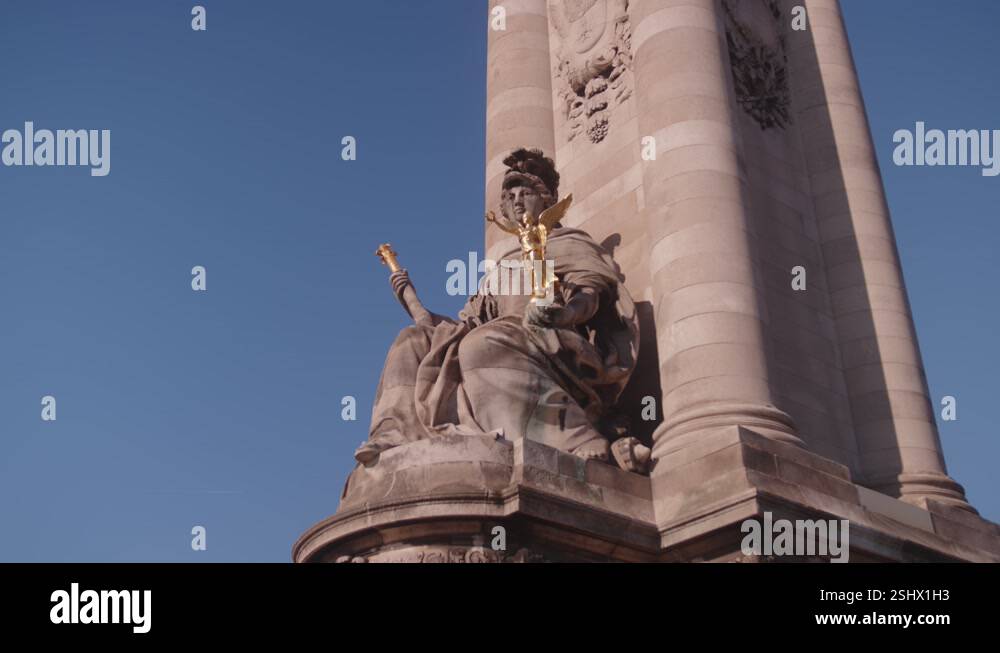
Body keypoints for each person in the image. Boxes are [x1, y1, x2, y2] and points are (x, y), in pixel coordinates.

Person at [354, 148, 639, 468]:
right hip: (505, 334)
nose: (517, 201)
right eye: (510, 195)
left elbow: (591, 292)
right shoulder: (503, 265)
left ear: (546, 201)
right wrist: (418, 309)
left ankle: (576, 436)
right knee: (412, 340)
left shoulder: (569, 242)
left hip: (556, 337)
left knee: (484, 343)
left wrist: (566, 312)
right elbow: (466, 324)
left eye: (526, 193)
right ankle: (396, 434)